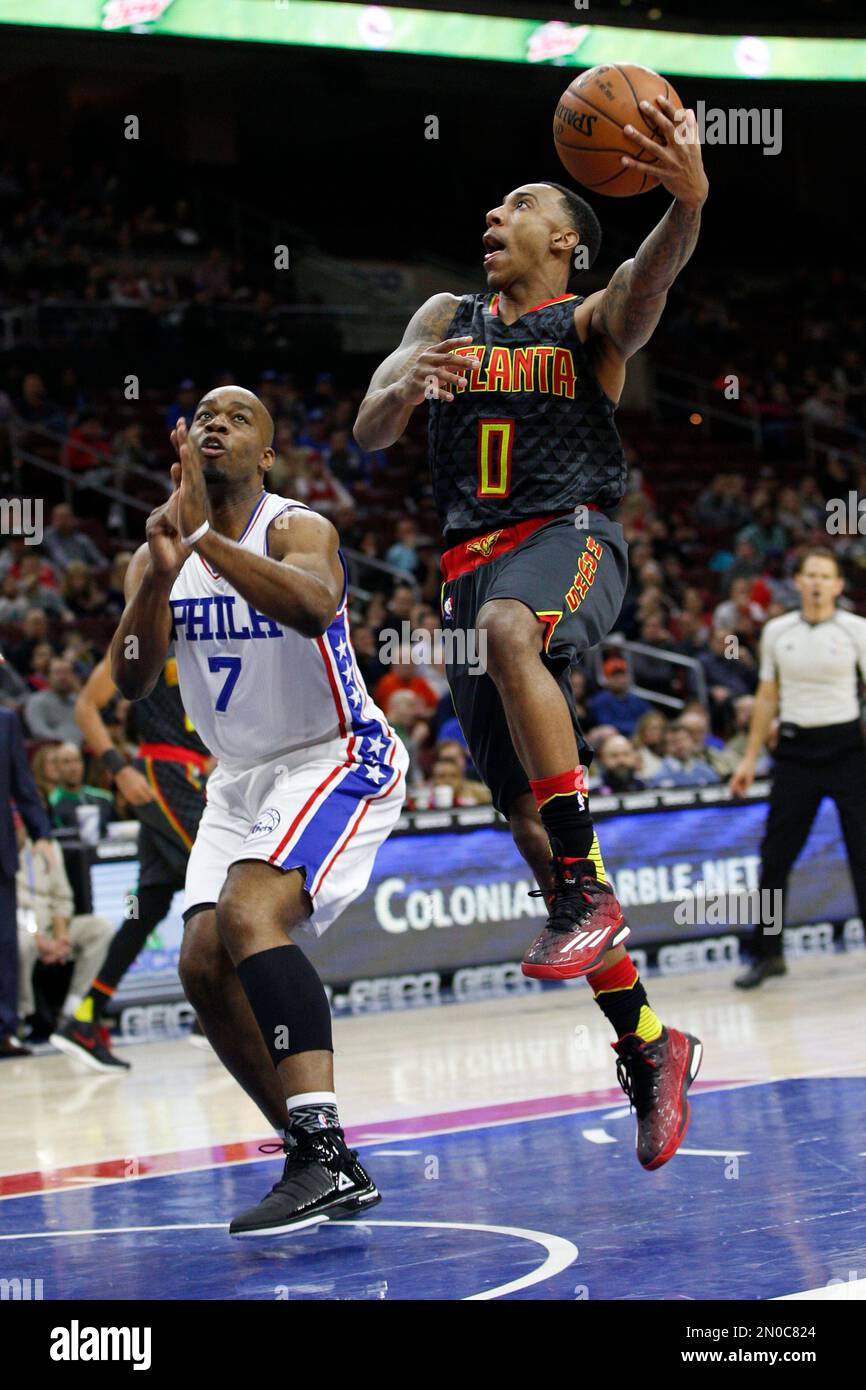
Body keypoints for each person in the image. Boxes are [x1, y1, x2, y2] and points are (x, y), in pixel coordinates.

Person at [354, 101, 708, 1170]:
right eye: (497, 203)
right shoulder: (442, 315)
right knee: (520, 821)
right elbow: (370, 425)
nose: (492, 214)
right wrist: (408, 384)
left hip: (568, 535)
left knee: (514, 629)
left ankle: (586, 888)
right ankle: (650, 1041)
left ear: (565, 238)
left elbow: (649, 277)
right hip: (463, 575)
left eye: (520, 204)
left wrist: (686, 202)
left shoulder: (590, 320)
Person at [110, 385, 407, 1234]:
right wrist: (157, 581)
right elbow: (133, 678)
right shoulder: (164, 549)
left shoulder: (295, 527)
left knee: (248, 912)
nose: (217, 423)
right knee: (202, 963)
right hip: (238, 777)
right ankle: (319, 1158)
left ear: (267, 454)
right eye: (204, 413)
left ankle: (318, 1144)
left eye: (240, 417)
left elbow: (314, 607)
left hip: (337, 752)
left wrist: (202, 536)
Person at [50, 653, 210, 1070]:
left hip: (190, 773)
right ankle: (213, 1013)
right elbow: (86, 707)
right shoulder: (147, 630)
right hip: (162, 774)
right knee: (229, 881)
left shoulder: (208, 626)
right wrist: (119, 769)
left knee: (148, 905)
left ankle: (84, 1019)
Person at [730, 548, 866, 987]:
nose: (817, 583)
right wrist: (749, 759)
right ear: (799, 582)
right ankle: (769, 954)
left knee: (863, 855)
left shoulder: (856, 630)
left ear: (839, 585)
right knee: (774, 858)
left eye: (826, 576)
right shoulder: (776, 631)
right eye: (810, 575)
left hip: (848, 750)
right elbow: (767, 696)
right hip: (794, 753)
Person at [16, 816, 113, 1033]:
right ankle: (18, 1017)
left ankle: (74, 1010)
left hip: (50, 926)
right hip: (17, 930)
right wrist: (36, 938)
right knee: (20, 943)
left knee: (100, 929)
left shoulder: (47, 847)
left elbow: (62, 898)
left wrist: (61, 937)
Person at [0, 707, 55, 1057]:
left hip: (0, 849)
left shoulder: (6, 721)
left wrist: (41, 832)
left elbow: (21, 781)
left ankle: (4, 1028)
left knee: (4, 945)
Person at [47, 741, 117, 836]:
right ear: (56, 767)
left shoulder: (104, 798)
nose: (73, 767)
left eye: (77, 760)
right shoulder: (52, 803)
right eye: (66, 762)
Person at [588, 655, 653, 736]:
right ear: (607, 679)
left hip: (638, 737)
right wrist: (638, 729)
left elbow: (650, 716)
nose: (620, 680)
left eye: (622, 676)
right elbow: (607, 724)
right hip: (614, 739)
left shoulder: (635, 699)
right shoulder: (599, 701)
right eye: (615, 677)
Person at [24, 658, 82, 745]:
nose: (63, 677)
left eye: (67, 672)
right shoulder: (36, 701)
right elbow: (39, 731)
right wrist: (64, 744)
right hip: (53, 750)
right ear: (48, 677)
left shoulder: (79, 701)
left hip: (82, 750)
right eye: (58, 673)